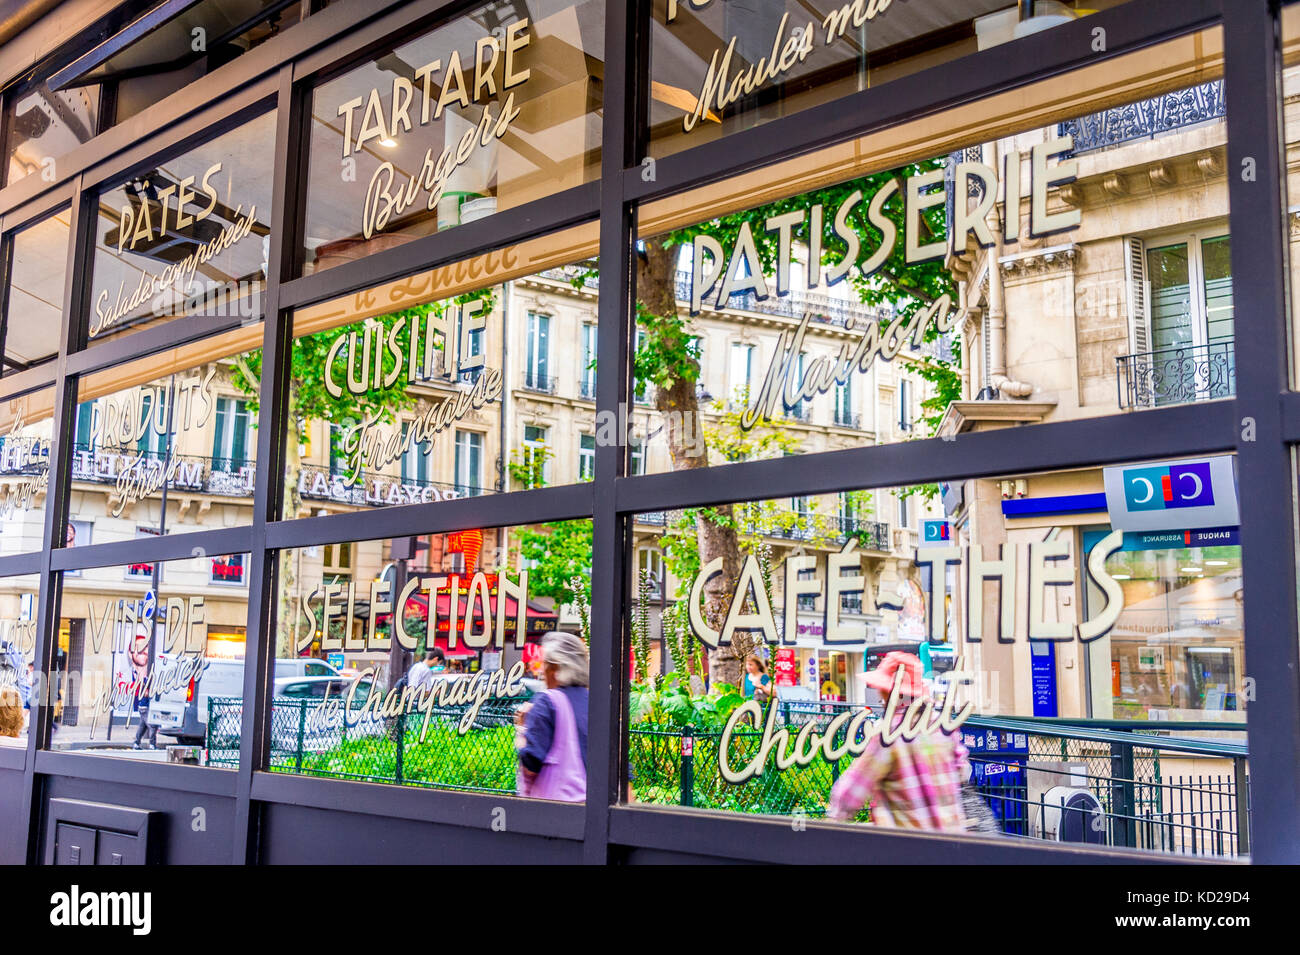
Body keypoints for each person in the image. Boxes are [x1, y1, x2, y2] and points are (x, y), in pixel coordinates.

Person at [826, 651, 969, 830]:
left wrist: (833, 819)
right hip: (954, 844)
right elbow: (962, 771)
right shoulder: (944, 725)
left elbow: (850, 794)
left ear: (888, 691)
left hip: (909, 848)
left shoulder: (887, 734)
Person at [514, 632, 588, 802]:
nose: (540, 670)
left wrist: (521, 730)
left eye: (544, 663)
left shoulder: (546, 702)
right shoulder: (598, 704)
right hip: (592, 809)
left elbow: (531, 765)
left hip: (555, 810)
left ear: (555, 668)